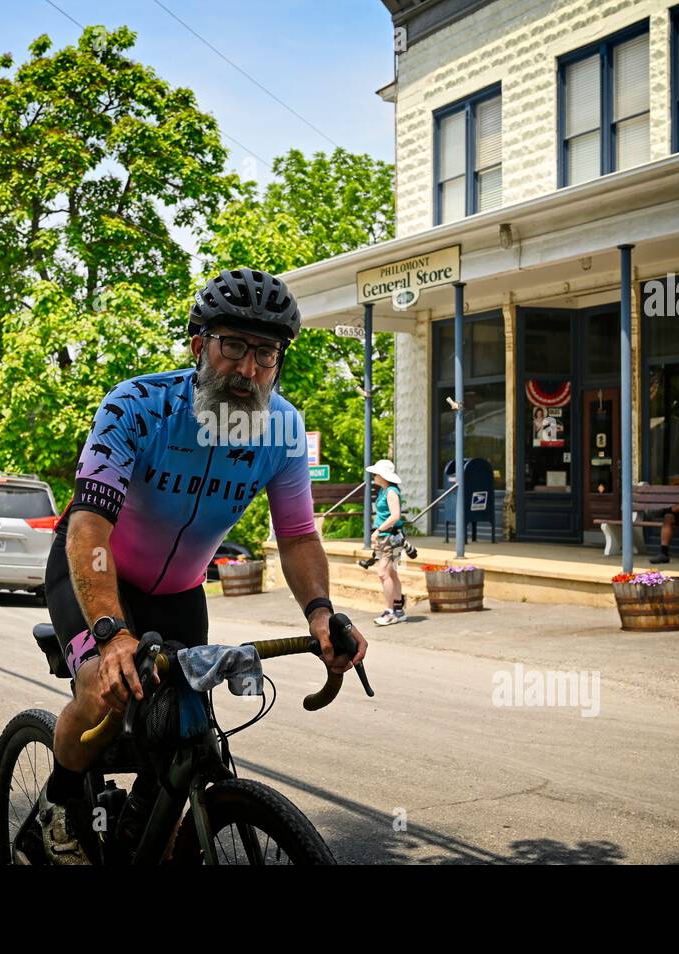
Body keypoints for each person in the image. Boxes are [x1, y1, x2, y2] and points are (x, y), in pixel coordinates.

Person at [41, 267, 369, 863]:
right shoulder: (137, 407)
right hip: (94, 569)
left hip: (180, 593)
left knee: (182, 735)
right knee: (102, 689)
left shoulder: (285, 431)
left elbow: (296, 536)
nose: (247, 369)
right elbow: (91, 525)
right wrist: (111, 634)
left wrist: (321, 613)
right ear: (198, 346)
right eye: (233, 347)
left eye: (265, 353)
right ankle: (59, 807)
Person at [364, 460, 408, 626]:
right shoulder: (384, 491)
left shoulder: (391, 492)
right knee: (392, 573)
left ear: (383, 476)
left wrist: (378, 530)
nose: (374, 476)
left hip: (390, 536)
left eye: (376, 474)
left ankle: (389, 611)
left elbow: (395, 515)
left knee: (383, 573)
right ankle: (398, 610)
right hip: (388, 536)